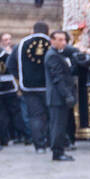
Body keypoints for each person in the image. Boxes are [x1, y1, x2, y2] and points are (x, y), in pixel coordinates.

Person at [9, 22, 52, 152]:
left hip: (29, 86)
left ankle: (39, 145)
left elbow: (10, 64)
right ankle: (51, 141)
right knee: (51, 115)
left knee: (35, 116)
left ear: (32, 30)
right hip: (49, 86)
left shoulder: (21, 44)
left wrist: (20, 77)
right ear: (48, 31)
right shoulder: (52, 42)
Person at [44, 31, 82, 162]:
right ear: (52, 41)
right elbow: (58, 78)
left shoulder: (60, 54)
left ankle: (60, 150)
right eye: (59, 40)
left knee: (61, 125)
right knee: (57, 126)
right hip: (57, 97)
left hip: (61, 96)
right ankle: (57, 152)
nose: (63, 43)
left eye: (64, 40)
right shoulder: (52, 56)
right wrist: (67, 95)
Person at [0, 33, 23, 147]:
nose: (8, 41)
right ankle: (6, 137)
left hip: (9, 85)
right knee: (4, 114)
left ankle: (17, 135)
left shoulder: (13, 50)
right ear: (0, 41)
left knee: (14, 112)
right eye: (5, 39)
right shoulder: (1, 53)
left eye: (10, 39)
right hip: (4, 86)